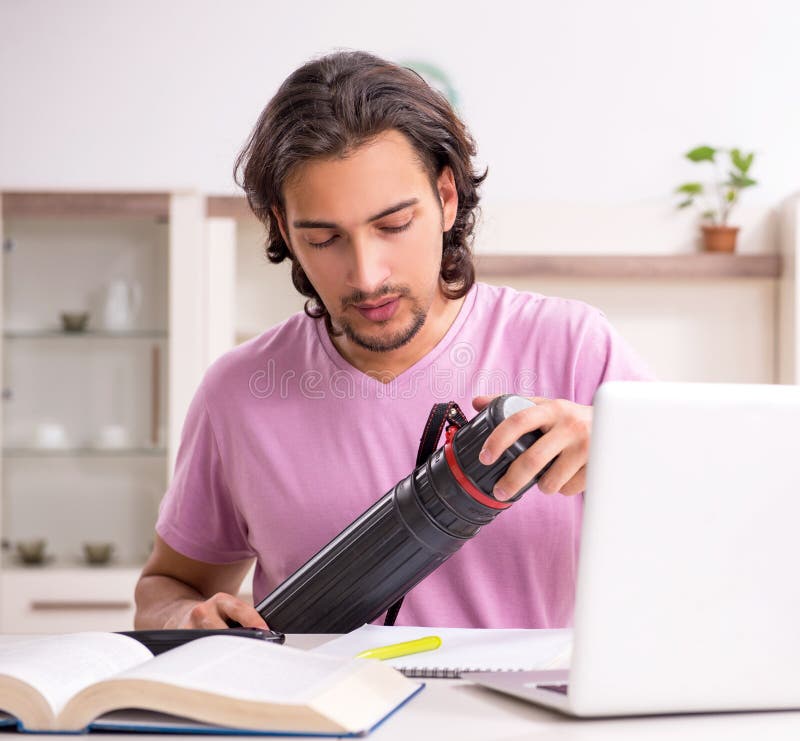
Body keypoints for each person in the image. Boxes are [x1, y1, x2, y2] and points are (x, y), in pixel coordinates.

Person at [134, 50, 653, 631]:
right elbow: (166, 587)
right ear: (285, 229)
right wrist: (186, 618)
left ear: (446, 198)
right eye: (325, 238)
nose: (366, 275)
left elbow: (715, 516)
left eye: (394, 225)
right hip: (313, 694)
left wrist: (628, 448)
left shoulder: (573, 347)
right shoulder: (237, 392)